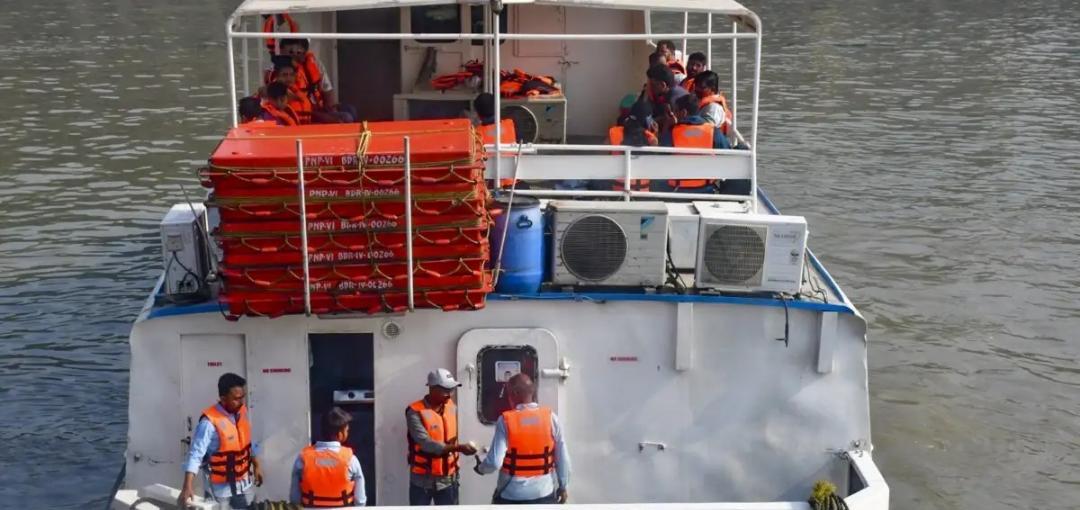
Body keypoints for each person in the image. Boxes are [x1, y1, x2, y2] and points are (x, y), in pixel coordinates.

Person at [476, 373, 570, 505]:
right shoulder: (551, 417)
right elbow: (563, 458)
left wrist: (481, 468)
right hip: (544, 494)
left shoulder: (505, 420)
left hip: (512, 496)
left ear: (514, 393)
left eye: (508, 393)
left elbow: (494, 463)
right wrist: (563, 486)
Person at [178, 373, 263, 509]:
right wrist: (187, 486)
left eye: (242, 397)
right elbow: (195, 455)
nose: (241, 402)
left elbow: (247, 441)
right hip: (221, 491)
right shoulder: (208, 423)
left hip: (244, 485)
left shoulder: (242, 412)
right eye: (236, 398)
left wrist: (257, 465)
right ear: (223, 398)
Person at [406, 368, 477, 506]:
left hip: (448, 479)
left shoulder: (452, 407)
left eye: (451, 390)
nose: (449, 395)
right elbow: (426, 443)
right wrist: (459, 448)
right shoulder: (414, 412)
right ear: (432, 388)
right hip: (422, 481)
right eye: (446, 390)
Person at [290, 407, 366, 508]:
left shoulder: (303, 459)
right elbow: (360, 499)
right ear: (340, 434)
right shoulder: (351, 460)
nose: (348, 433)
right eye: (347, 430)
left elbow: (295, 498)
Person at [278, 38, 355, 123]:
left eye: (298, 52)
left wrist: (331, 109)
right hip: (302, 114)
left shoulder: (314, 64)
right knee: (347, 117)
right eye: (290, 53)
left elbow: (327, 90)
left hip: (317, 108)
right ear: (281, 52)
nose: (294, 56)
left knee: (350, 110)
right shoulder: (279, 71)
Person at [645, 64, 689, 140]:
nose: (650, 87)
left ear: (663, 85)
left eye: (653, 85)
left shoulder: (674, 100)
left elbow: (672, 123)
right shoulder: (673, 92)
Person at [692, 71, 733, 136]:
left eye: (701, 87)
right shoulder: (702, 102)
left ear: (713, 88)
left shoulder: (714, 108)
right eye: (696, 86)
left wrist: (686, 132)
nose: (697, 89)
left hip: (710, 143)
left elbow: (707, 131)